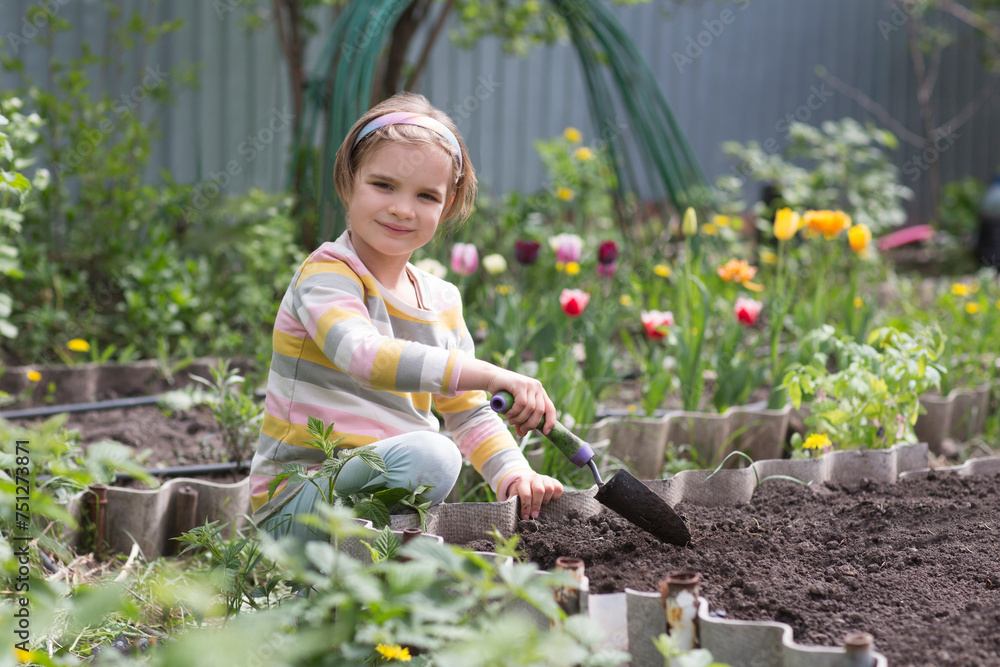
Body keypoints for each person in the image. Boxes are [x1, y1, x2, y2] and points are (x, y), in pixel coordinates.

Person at [250, 92, 564, 541]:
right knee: (434, 457)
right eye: (383, 185)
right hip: (298, 500)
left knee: (435, 470)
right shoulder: (327, 276)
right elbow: (366, 357)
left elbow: (469, 412)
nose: (402, 208)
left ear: (448, 204)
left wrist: (513, 473)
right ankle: (355, 557)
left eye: (425, 196)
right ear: (348, 180)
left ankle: (374, 558)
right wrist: (489, 373)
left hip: (376, 496)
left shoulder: (442, 299)